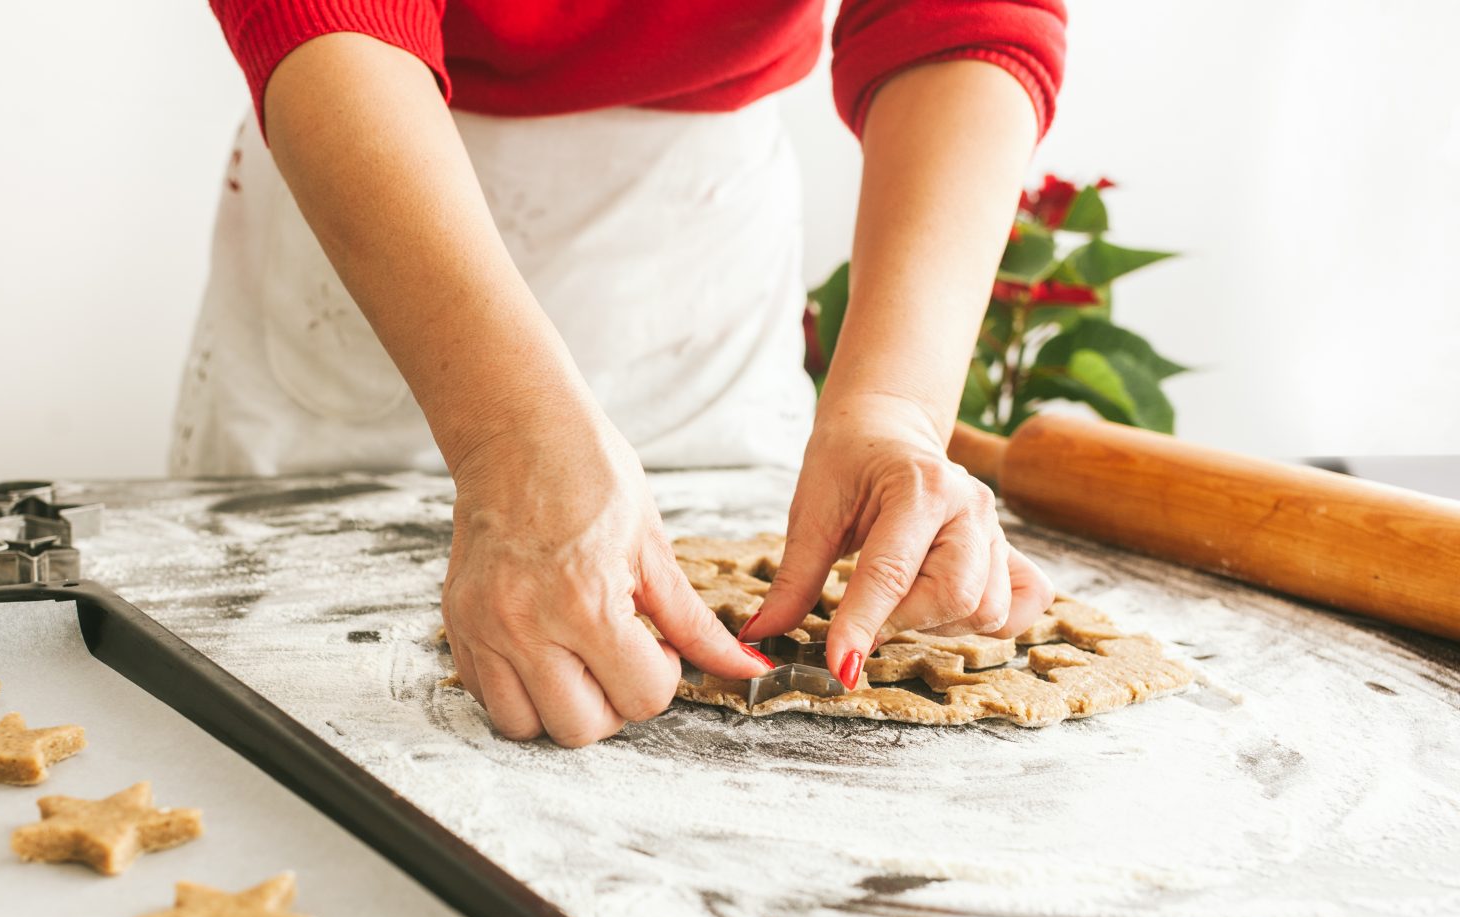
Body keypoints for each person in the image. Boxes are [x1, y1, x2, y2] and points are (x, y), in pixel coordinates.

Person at [180, 0, 1065, 747]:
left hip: (702, 237)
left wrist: (897, 408)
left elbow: (963, 20)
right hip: (377, 179)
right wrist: (507, 429)